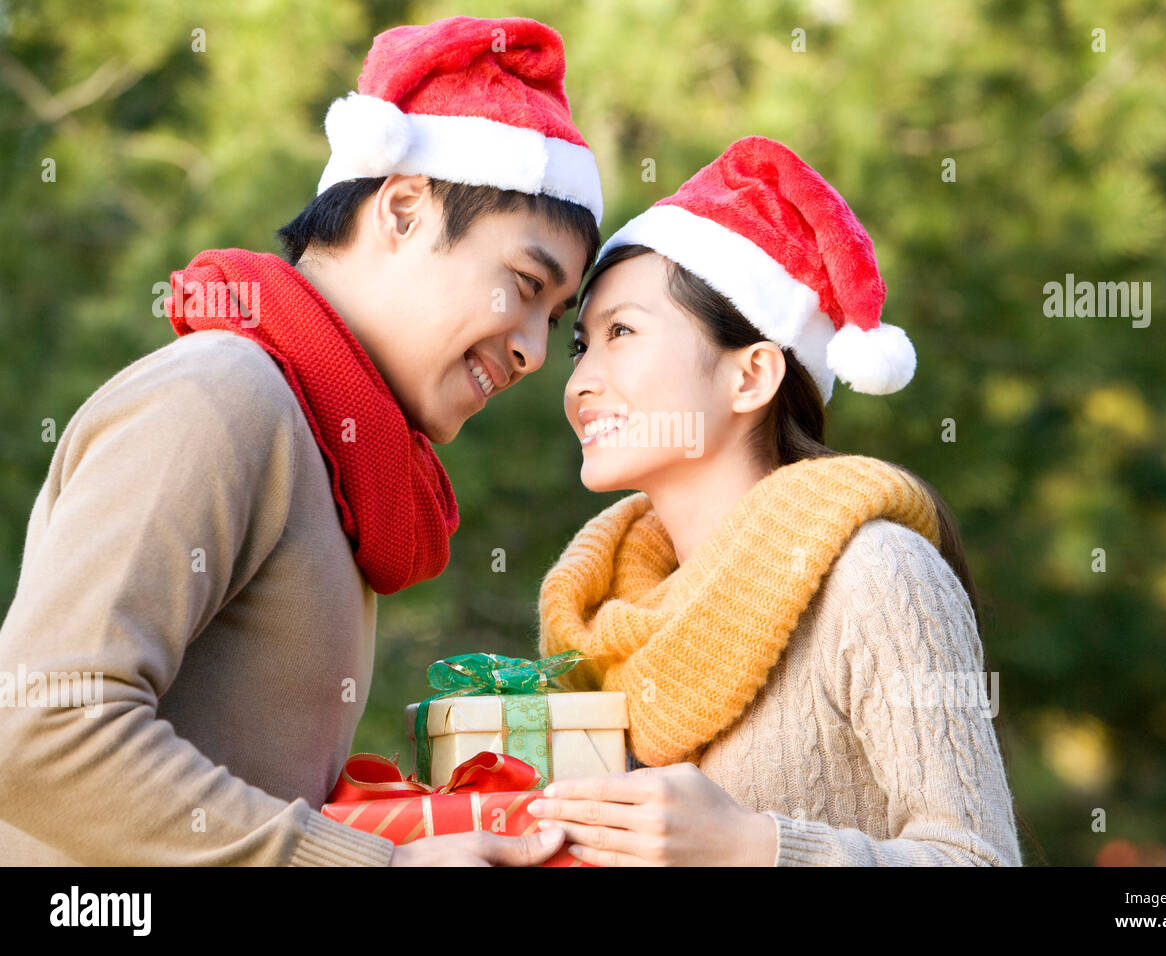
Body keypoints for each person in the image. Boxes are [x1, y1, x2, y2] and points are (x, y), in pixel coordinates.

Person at [0, 16, 602, 866]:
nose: (533, 350)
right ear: (401, 208)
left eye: (555, 319)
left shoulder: (344, 459)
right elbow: (37, 731)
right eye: (525, 285)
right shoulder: (224, 396)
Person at [530, 136, 1022, 866]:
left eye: (621, 333)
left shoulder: (877, 575)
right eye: (580, 345)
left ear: (752, 377)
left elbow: (981, 858)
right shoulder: (600, 623)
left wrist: (753, 848)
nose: (579, 383)